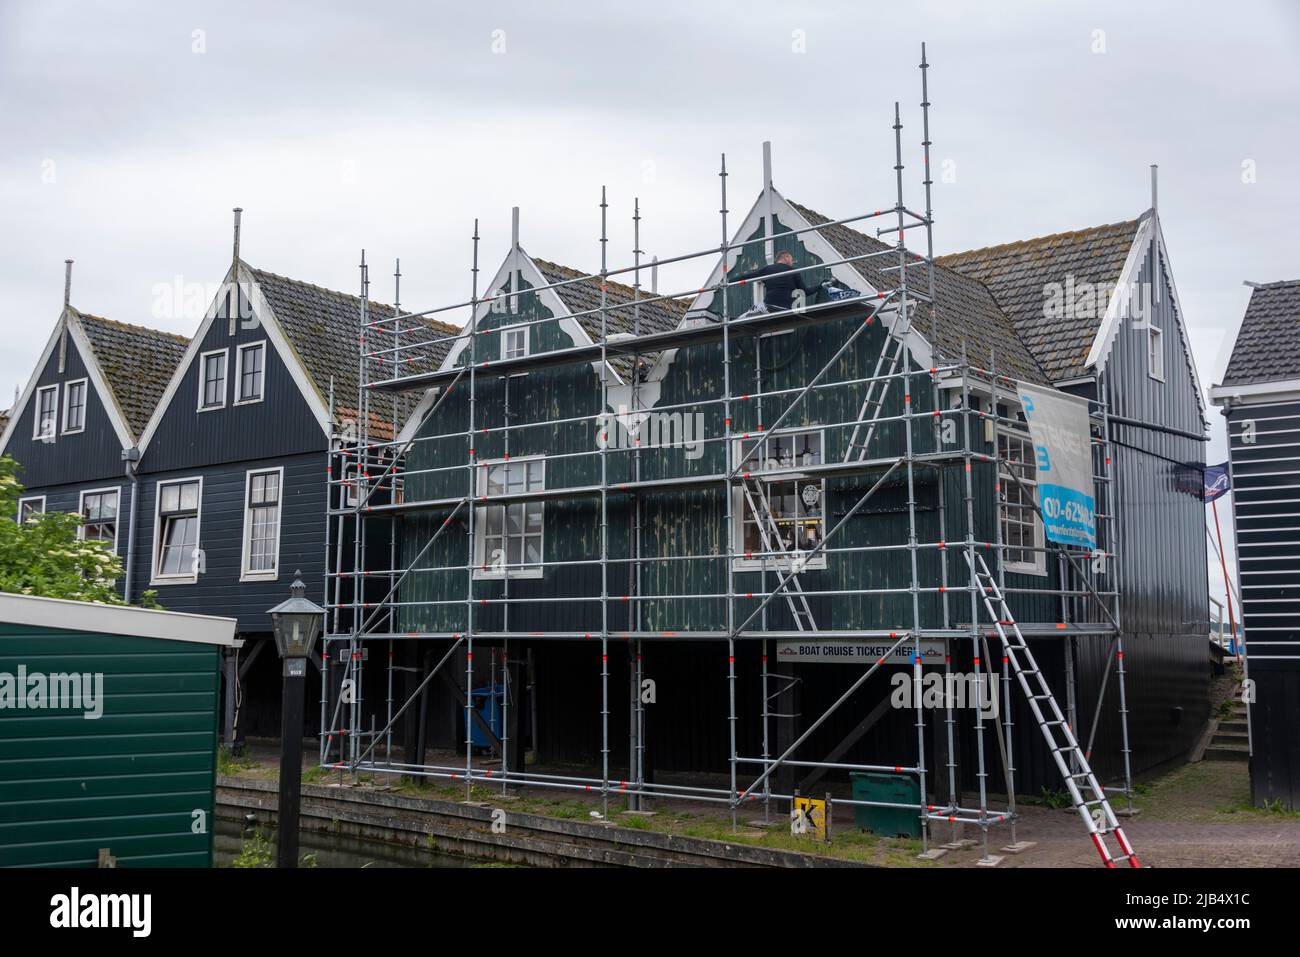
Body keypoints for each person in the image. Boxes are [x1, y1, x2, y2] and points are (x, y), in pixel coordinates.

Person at [727, 250, 810, 314]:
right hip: (787, 308)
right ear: (786, 258)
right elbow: (805, 292)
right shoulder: (793, 271)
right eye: (791, 260)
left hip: (769, 307)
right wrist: (820, 286)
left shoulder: (767, 269)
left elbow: (748, 277)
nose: (791, 262)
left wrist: (730, 281)